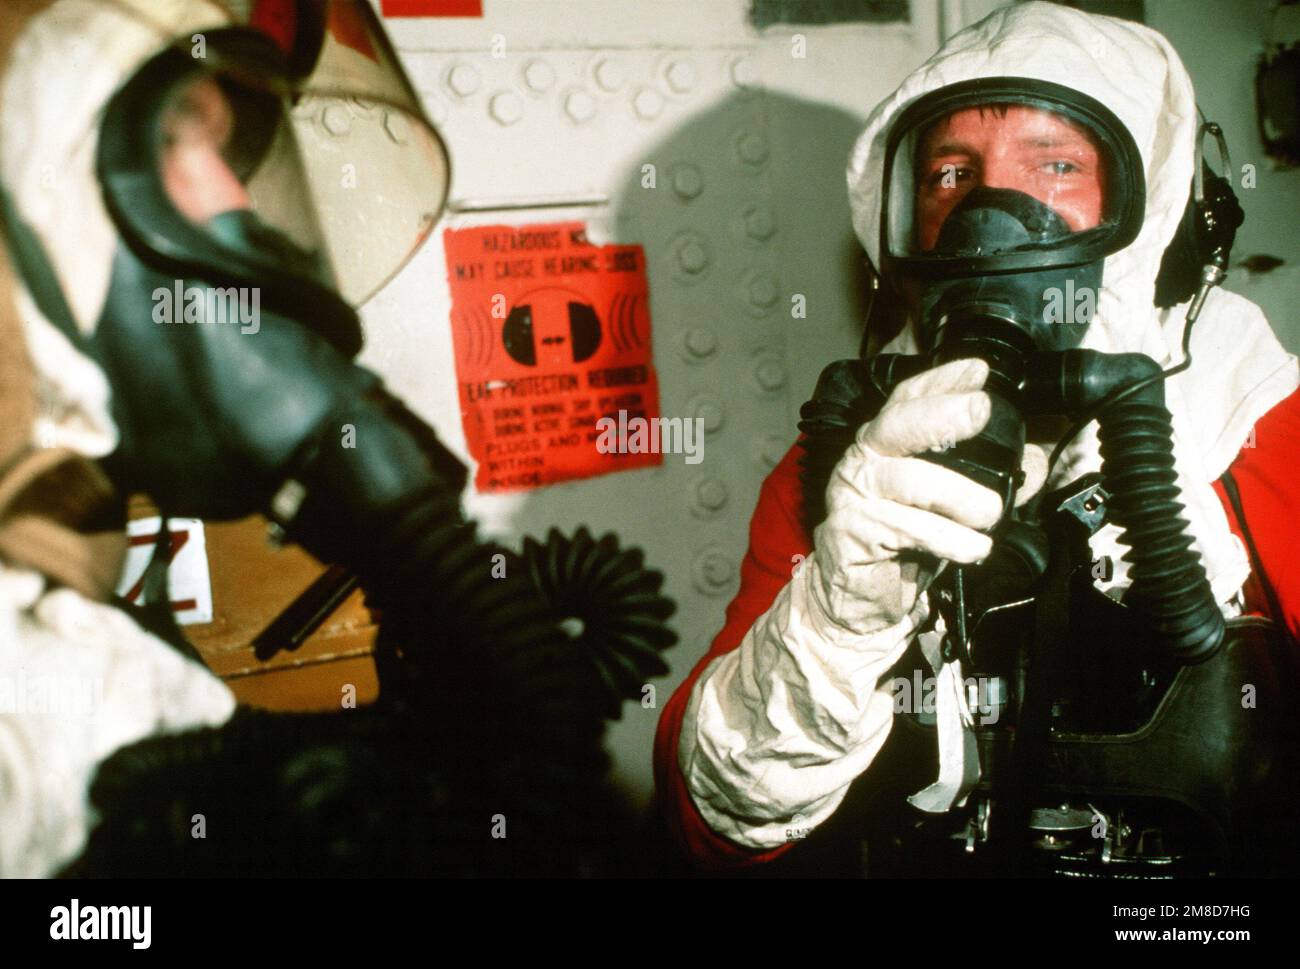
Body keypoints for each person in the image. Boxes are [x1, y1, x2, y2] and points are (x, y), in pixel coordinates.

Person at [654, 1, 1300, 871]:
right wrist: (835, 620)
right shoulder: (849, 473)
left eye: (1058, 164)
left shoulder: (1262, 426)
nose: (994, 215)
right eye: (951, 176)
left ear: (1159, 209)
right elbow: (710, 830)